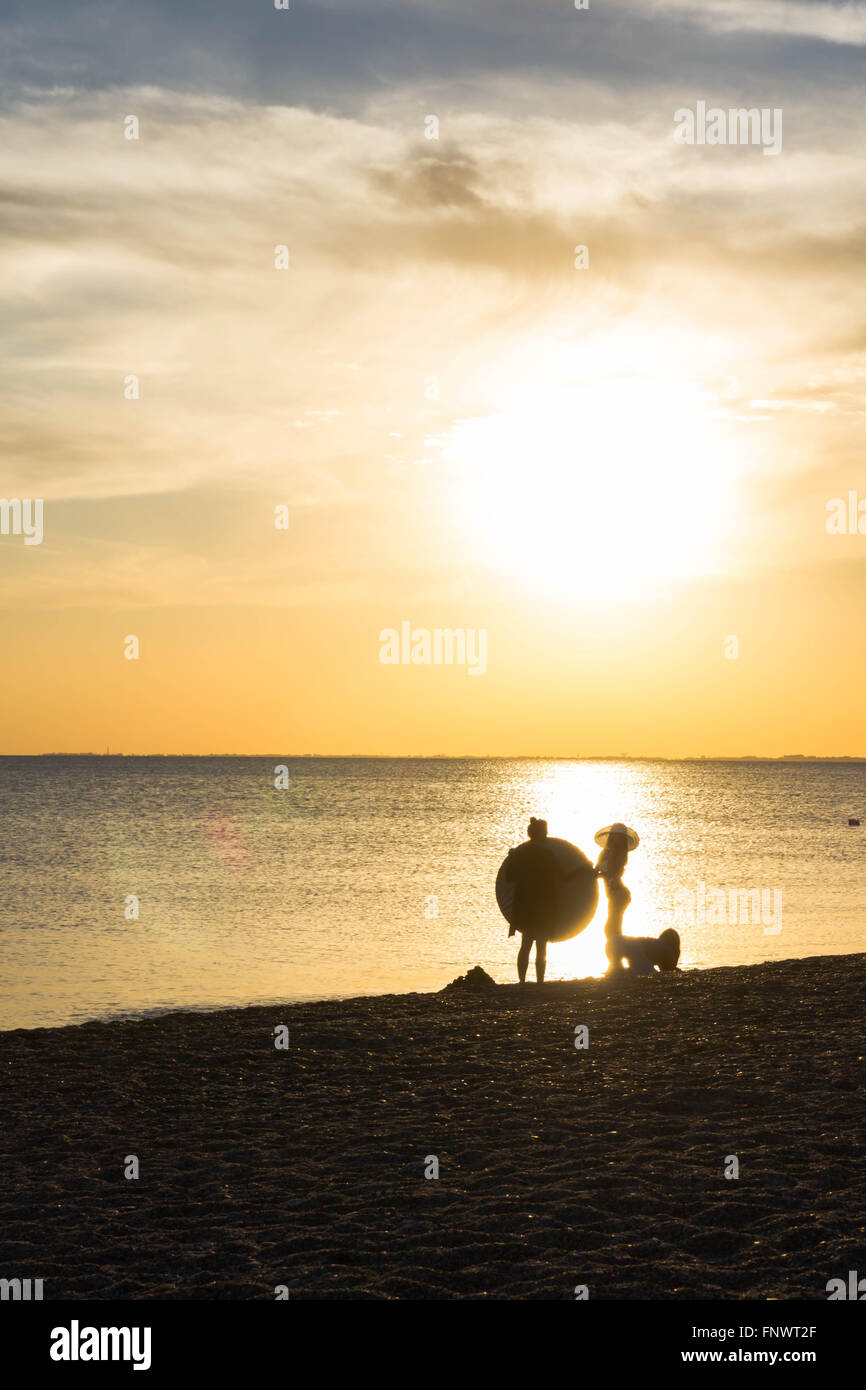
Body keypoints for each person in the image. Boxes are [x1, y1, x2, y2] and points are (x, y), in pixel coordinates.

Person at [504, 817, 567, 984]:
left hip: (524, 904)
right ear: (540, 834)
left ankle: (522, 982)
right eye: (545, 832)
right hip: (544, 905)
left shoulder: (520, 854)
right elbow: (563, 877)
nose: (546, 835)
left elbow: (509, 878)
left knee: (526, 944)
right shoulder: (548, 855)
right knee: (541, 946)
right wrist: (583, 872)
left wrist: (512, 858)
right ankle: (540, 982)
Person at [594, 821, 639, 972]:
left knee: (611, 928)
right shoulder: (605, 852)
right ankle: (616, 962)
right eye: (615, 836)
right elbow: (597, 870)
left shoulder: (620, 854)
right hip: (613, 894)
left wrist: (600, 875)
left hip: (619, 894)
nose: (617, 839)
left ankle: (617, 962)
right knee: (612, 928)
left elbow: (613, 873)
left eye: (620, 837)